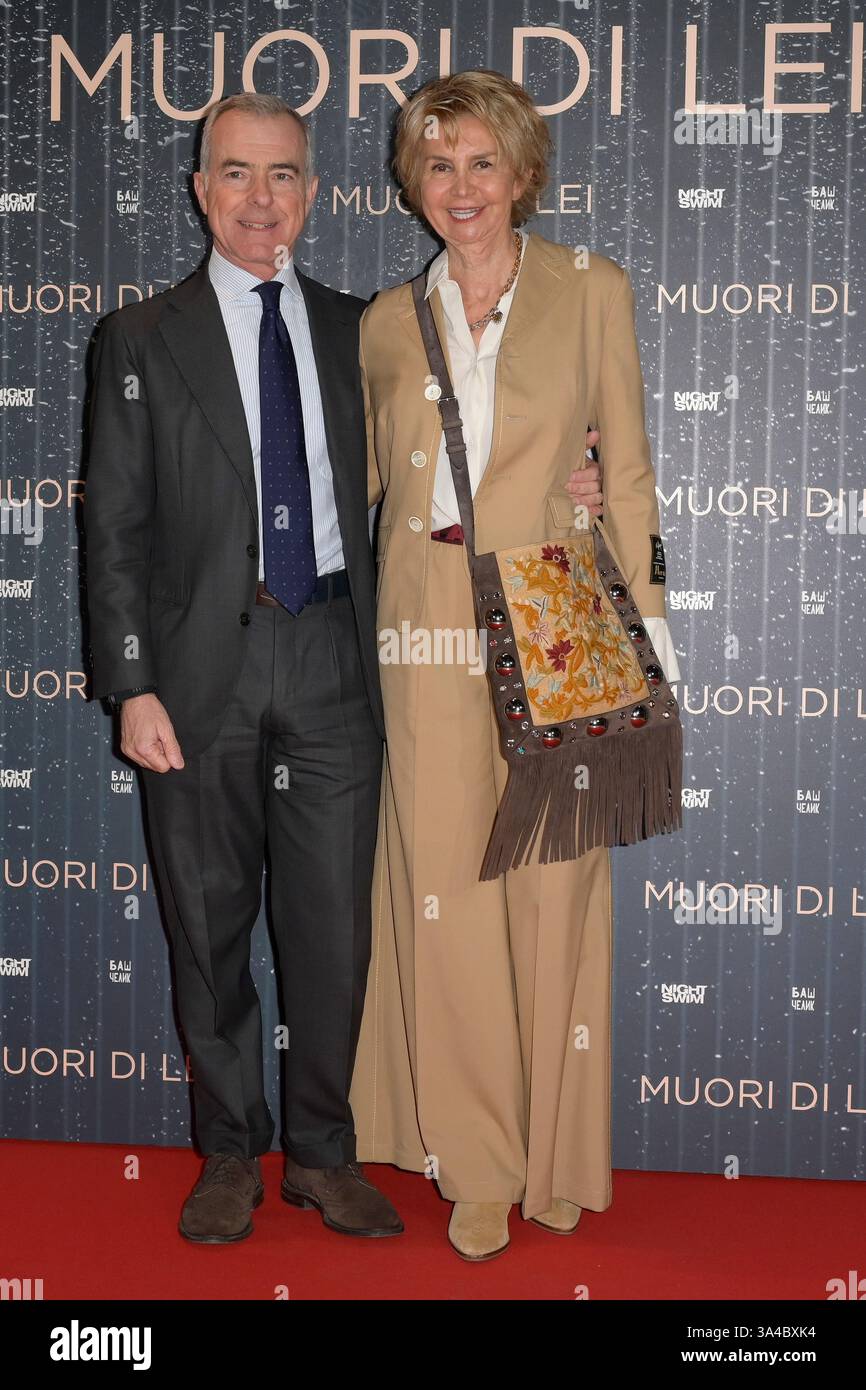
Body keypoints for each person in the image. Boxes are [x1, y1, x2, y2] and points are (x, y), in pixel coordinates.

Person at [349, 70, 681, 1260]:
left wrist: (641, 631)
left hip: (557, 607)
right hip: (423, 610)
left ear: (522, 171)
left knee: (556, 888)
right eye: (435, 165)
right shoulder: (386, 323)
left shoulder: (593, 290)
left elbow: (628, 474)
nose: (459, 186)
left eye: (480, 161)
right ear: (411, 184)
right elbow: (371, 492)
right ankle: (478, 1161)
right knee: (445, 889)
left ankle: (553, 1154)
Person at [84, 92, 402, 1244]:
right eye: (234, 173)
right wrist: (131, 683)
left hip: (328, 659)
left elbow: (443, 469)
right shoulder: (137, 337)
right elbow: (111, 527)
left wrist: (569, 470)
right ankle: (228, 1152)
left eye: (282, 175)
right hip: (193, 675)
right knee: (206, 927)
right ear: (198, 188)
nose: (259, 198)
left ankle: (320, 1153)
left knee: (329, 930)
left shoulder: (361, 328)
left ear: (313, 193)